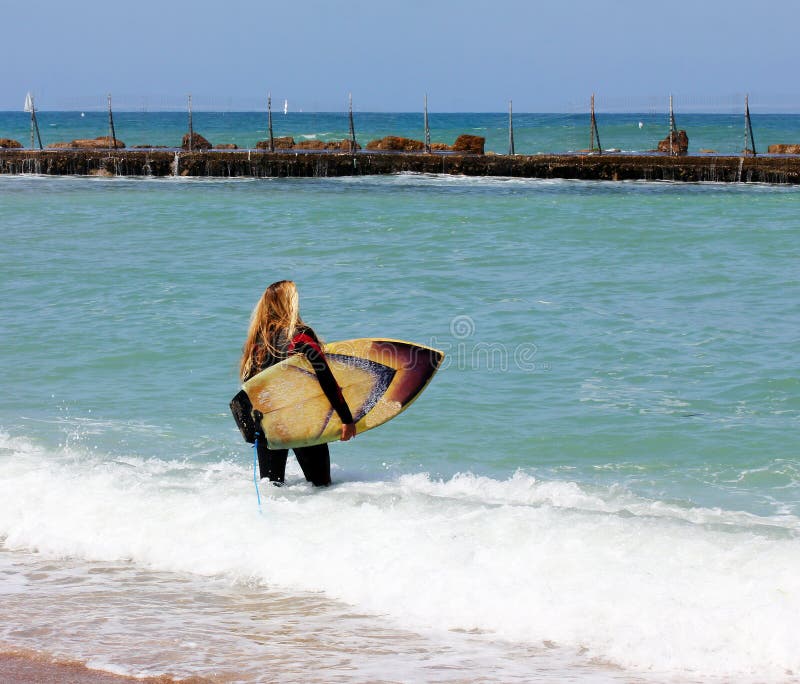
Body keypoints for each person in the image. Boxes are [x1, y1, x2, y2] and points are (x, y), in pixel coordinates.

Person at [239, 280, 356, 486]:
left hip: (268, 423)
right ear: (289, 303)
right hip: (300, 421)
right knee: (321, 488)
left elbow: (250, 386)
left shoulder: (257, 341)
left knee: (272, 490)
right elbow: (326, 379)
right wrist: (346, 419)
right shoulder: (301, 335)